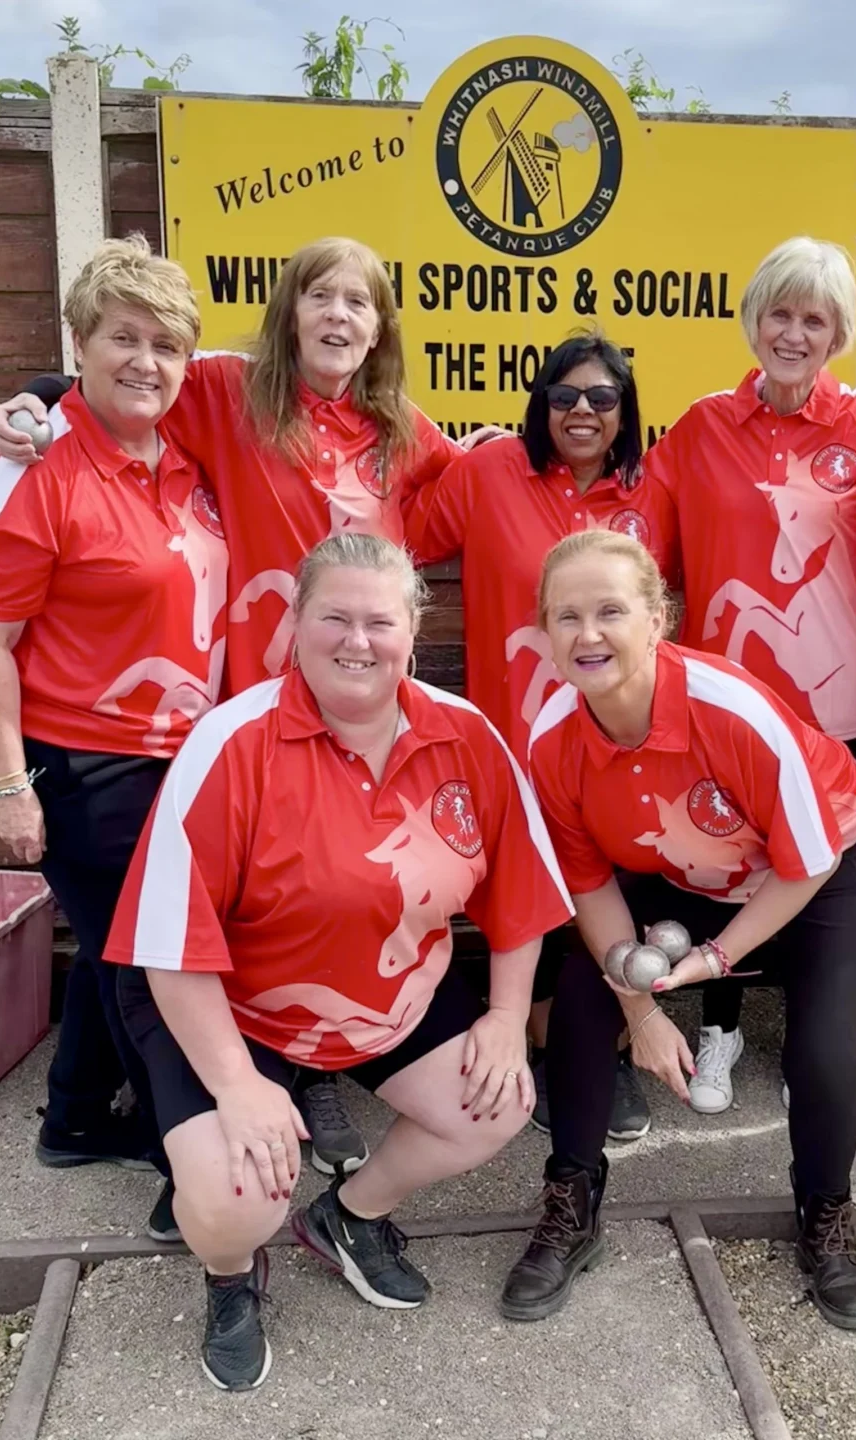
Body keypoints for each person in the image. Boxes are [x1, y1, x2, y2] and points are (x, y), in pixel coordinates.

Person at [0, 237, 478, 1177]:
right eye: (321, 296)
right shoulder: (225, 390)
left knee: (195, 912)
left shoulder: (399, 428)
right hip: (239, 718)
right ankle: (231, 1122)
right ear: (290, 310)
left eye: (360, 303)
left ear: (380, 329)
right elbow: (120, 378)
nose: (339, 316)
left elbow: (476, 482)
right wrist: (34, 400)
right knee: (190, 920)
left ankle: (86, 1110)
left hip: (349, 712)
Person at [103, 533, 572, 1391]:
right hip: (227, 1009)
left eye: (379, 622)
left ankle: (351, 1219)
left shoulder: (469, 737)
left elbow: (524, 899)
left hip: (386, 989)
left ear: (412, 631)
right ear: (295, 624)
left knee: (494, 1104)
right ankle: (232, 1278)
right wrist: (241, 1088)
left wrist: (507, 1018)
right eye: (336, 618)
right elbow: (170, 950)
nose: (358, 640)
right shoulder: (231, 743)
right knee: (235, 1200)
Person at [501, 530, 856, 1331]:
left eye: (611, 610)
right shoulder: (551, 739)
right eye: (566, 616)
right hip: (688, 871)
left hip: (817, 869)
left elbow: (806, 858)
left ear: (657, 618)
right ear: (544, 634)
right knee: (583, 997)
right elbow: (588, 883)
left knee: (819, 1047)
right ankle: (570, 1204)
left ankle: (827, 1219)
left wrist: (716, 960)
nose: (588, 634)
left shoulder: (730, 710)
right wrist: (641, 1010)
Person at [0, 236, 223, 1240]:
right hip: (85, 771)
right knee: (156, 967)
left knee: (114, 957)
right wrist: (6, 784)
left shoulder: (181, 457)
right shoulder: (34, 472)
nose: (145, 361)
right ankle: (181, 1154)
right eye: (122, 338)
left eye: (164, 343)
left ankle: (71, 1121)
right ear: (80, 343)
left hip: (179, 760)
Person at [640, 236, 856, 1116]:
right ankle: (721, 1026)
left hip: (821, 706)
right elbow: (636, 546)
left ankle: (815, 1031)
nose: (794, 333)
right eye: (781, 312)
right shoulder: (698, 428)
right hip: (718, 701)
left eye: (815, 318)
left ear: (837, 331)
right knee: (728, 861)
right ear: (754, 318)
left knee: (808, 861)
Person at [407, 333, 679, 1146]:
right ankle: (531, 1041)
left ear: (626, 409)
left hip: (613, 744)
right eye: (564, 397)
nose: (582, 412)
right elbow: (403, 536)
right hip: (509, 744)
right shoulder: (490, 474)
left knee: (609, 889)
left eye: (601, 397)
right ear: (541, 405)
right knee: (522, 896)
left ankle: (601, 1050)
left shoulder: (653, 490)